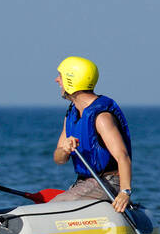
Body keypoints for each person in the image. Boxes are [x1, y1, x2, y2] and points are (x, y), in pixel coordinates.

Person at [51, 56, 134, 213]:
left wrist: (125, 192)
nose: (56, 80)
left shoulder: (102, 117)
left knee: (52, 208)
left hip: (108, 182)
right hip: (84, 182)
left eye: (60, 76)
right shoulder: (71, 114)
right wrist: (65, 150)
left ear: (71, 81)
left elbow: (122, 156)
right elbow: (59, 159)